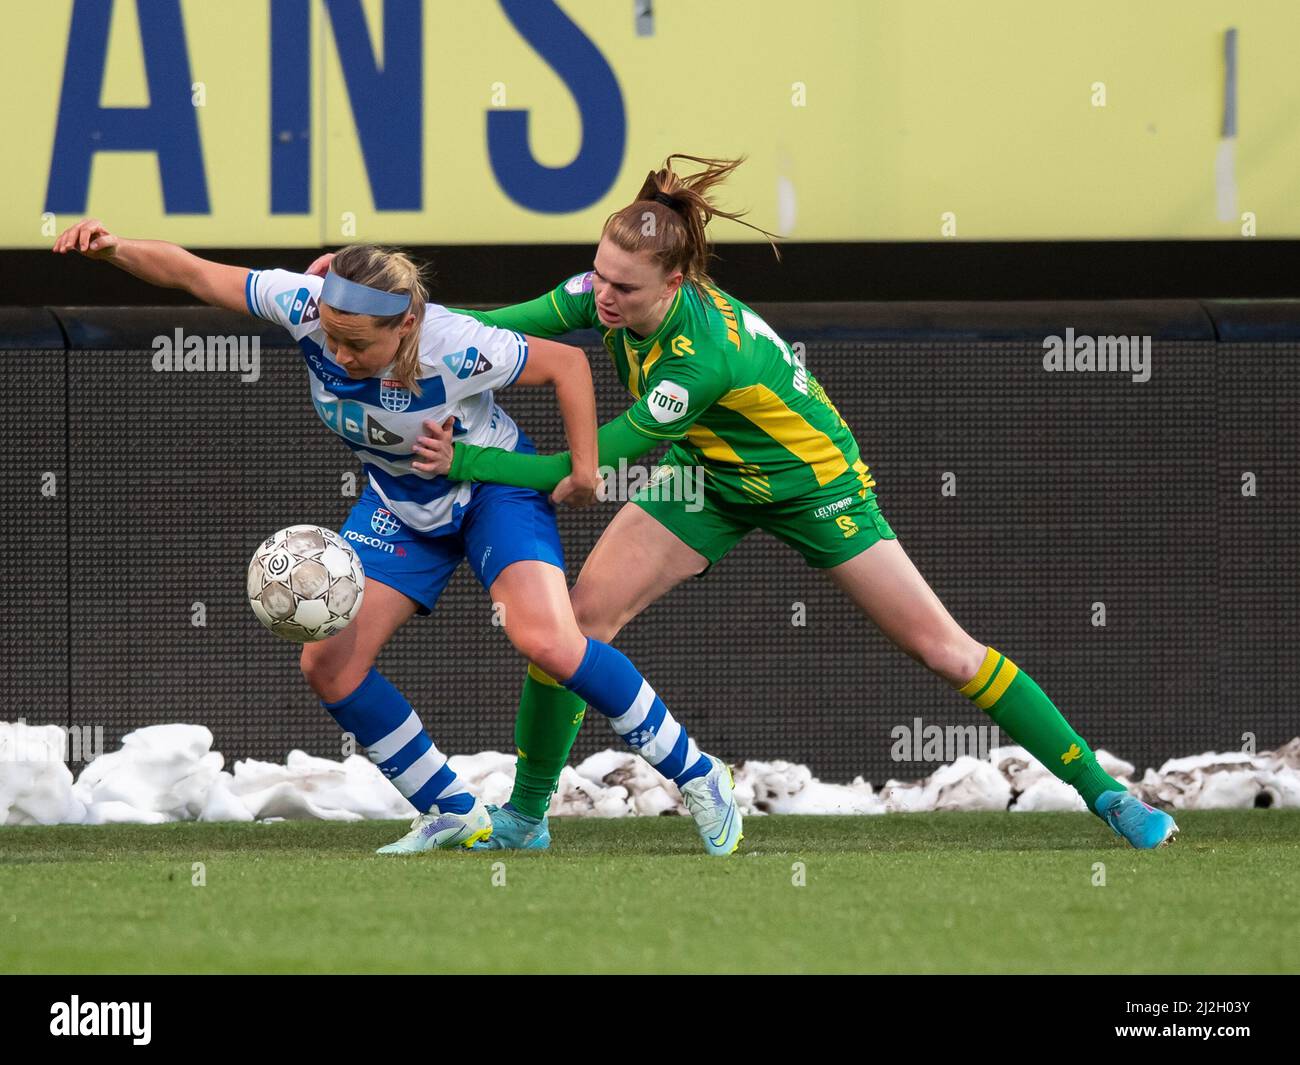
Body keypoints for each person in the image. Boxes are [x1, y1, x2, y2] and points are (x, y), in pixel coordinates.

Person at [409, 154, 1179, 851]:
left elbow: (583, 463)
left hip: (815, 488)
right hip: (709, 475)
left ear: (674, 284)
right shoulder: (602, 293)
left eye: (623, 286)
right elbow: (492, 328)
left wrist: (466, 458)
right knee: (572, 626)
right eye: (598, 275)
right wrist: (399, 324)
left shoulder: (700, 358)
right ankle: (525, 817)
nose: (602, 296)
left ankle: (1107, 795)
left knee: (945, 650)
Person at [53, 219, 742, 856]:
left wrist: (586, 469)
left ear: (407, 323)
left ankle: (697, 773)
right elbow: (193, 273)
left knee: (548, 641)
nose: (340, 353)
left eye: (359, 343)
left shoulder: (456, 344)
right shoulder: (305, 304)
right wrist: (114, 249)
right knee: (328, 665)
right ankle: (451, 807)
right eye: (331, 336)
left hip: (490, 495)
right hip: (400, 503)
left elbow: (566, 364)